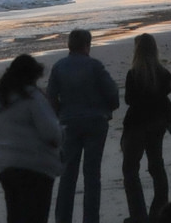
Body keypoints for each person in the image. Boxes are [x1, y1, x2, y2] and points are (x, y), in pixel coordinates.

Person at [0, 53, 63, 223]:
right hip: (37, 166)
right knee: (36, 216)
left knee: (15, 215)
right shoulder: (33, 98)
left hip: (5, 165)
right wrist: (61, 136)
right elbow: (51, 132)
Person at [46, 28, 119, 223]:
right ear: (87, 46)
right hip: (95, 122)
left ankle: (63, 219)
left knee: (68, 174)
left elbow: (51, 97)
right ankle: (90, 219)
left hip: (68, 123)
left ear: (70, 45)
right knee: (92, 175)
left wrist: (59, 115)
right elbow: (112, 94)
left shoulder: (59, 67)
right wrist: (107, 109)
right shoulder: (95, 66)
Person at [120, 33, 171, 223]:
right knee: (156, 165)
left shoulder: (134, 73)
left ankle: (138, 215)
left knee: (130, 169)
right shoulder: (162, 72)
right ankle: (158, 212)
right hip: (158, 122)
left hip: (137, 124)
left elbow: (129, 100)